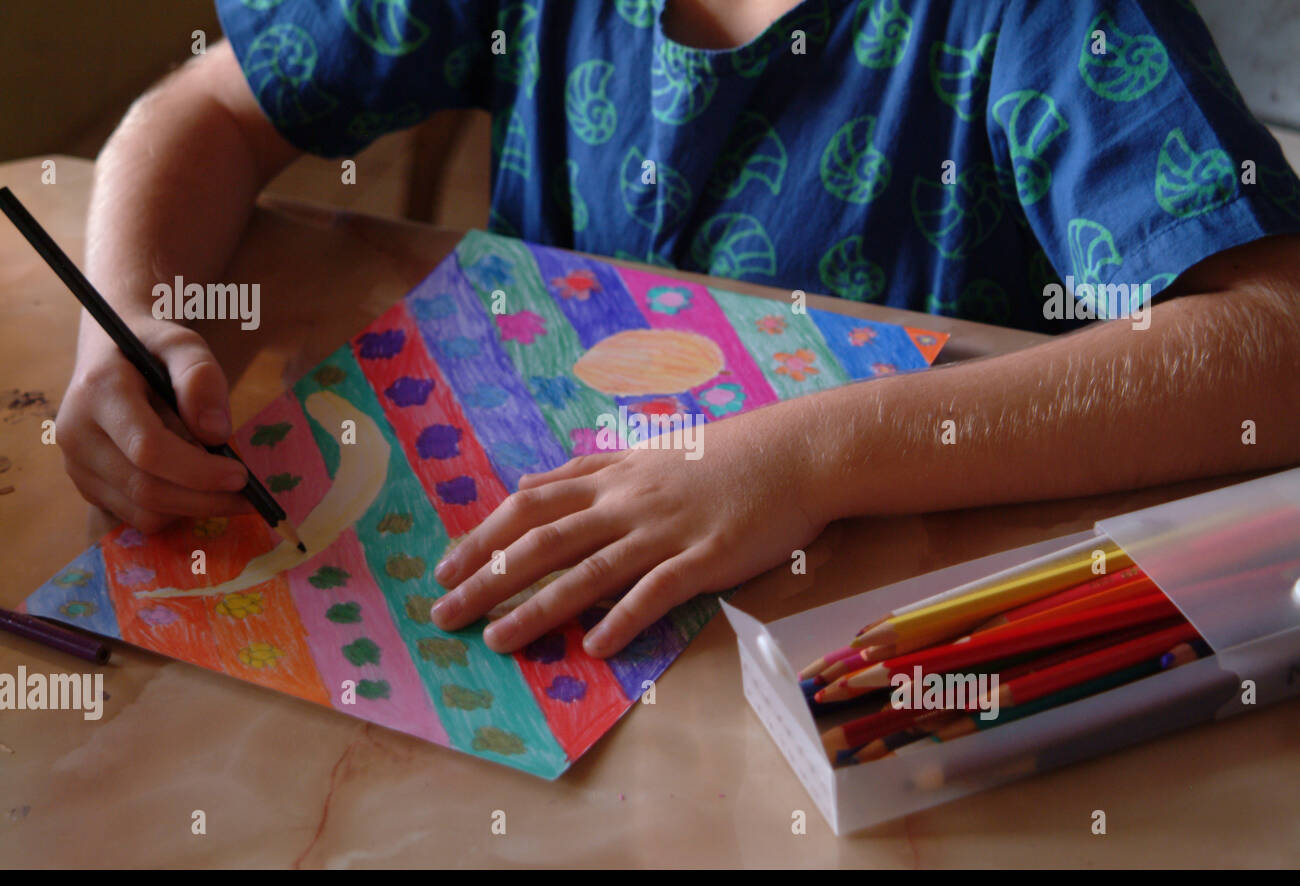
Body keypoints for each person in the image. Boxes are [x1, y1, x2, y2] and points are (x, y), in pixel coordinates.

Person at [56, 0, 1300, 658]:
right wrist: (128, 325)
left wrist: (805, 459)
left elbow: (1272, 341)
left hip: (863, 649)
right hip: (555, 612)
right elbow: (204, 113)